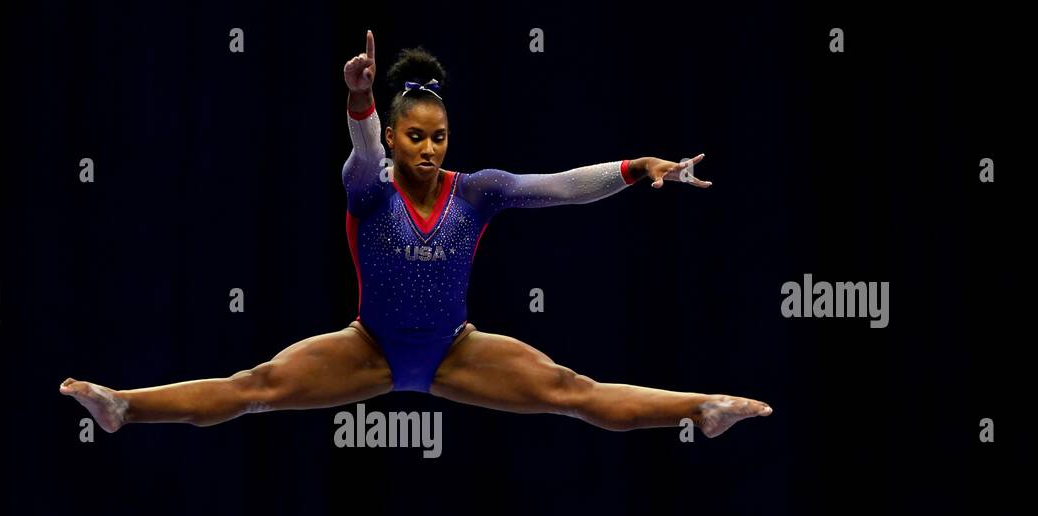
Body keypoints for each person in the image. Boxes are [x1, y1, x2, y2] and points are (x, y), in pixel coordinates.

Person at [61, 31, 771, 439]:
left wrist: (635, 168)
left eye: (439, 136)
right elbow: (362, 151)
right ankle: (126, 405)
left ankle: (701, 409)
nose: (428, 148)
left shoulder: (478, 191)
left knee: (569, 388)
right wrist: (360, 100)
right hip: (367, 349)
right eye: (415, 137)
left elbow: (558, 185)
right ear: (396, 139)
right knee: (258, 385)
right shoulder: (368, 189)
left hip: (457, 351)